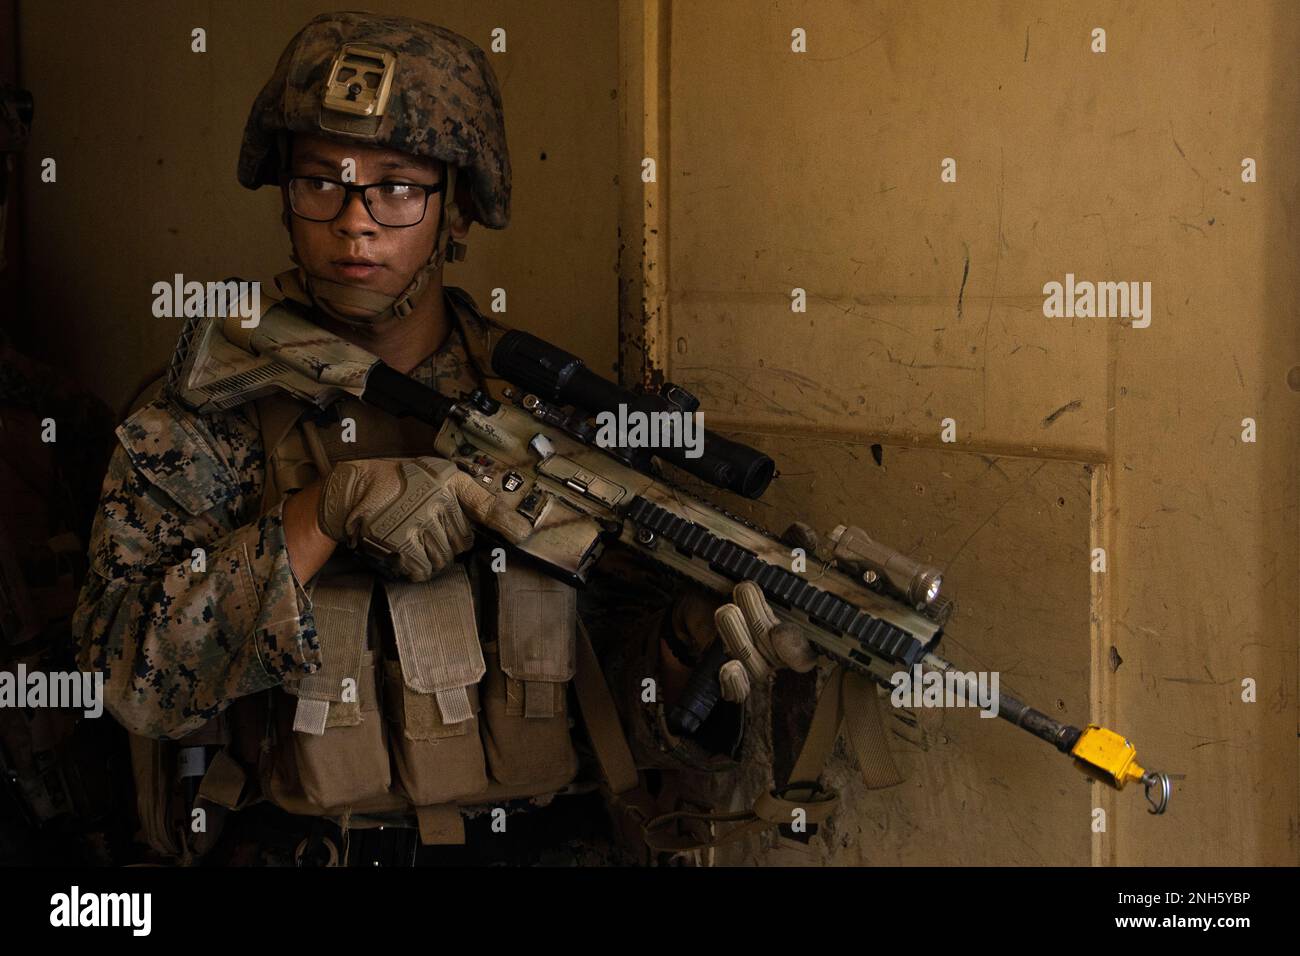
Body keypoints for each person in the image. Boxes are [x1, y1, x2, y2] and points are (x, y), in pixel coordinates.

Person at [71, 12, 820, 867]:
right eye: (322, 182)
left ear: (457, 207)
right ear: (284, 197)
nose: (355, 223)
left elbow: (633, 718)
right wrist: (319, 516)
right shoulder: (206, 412)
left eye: (396, 187)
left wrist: (688, 648)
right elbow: (125, 674)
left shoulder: (549, 423)